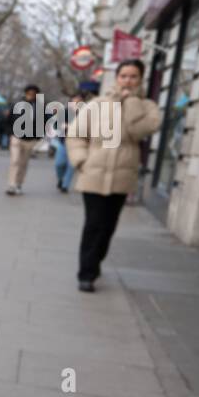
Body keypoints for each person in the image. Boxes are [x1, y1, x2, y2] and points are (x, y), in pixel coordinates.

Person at [66, 59, 160, 292]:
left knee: (108, 226)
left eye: (133, 76)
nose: (127, 80)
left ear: (140, 79)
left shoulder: (147, 107)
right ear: (116, 78)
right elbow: (76, 134)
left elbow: (139, 131)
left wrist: (131, 103)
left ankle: (96, 262)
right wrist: (80, 160)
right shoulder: (97, 104)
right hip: (93, 172)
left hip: (122, 175)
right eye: (123, 76)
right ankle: (85, 273)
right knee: (93, 224)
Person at [7, 84, 43, 194]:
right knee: (15, 161)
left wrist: (38, 137)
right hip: (16, 137)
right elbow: (9, 120)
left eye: (33, 93)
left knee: (23, 163)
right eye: (29, 93)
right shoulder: (17, 105)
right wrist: (10, 133)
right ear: (25, 93)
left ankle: (19, 184)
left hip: (30, 139)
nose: (31, 95)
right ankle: (12, 185)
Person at [53, 92, 85, 193]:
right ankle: (60, 179)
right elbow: (55, 125)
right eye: (75, 99)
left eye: (79, 99)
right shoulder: (65, 112)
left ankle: (65, 185)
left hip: (78, 143)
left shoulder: (86, 112)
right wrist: (61, 125)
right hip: (64, 141)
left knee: (71, 165)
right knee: (59, 164)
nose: (77, 101)